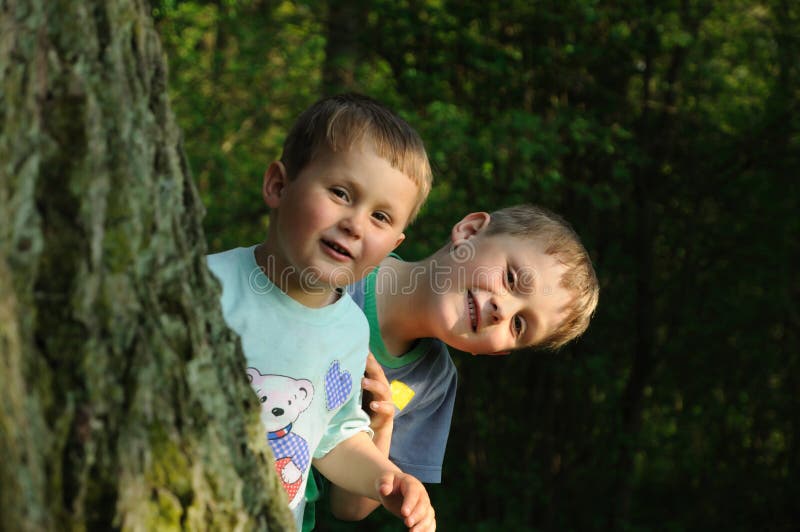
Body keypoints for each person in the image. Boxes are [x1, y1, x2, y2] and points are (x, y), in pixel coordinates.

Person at [207, 93, 436, 531]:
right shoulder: (206, 286)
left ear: (393, 247)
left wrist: (387, 478)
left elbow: (333, 438)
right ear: (279, 185)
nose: (356, 223)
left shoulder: (349, 331)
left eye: (382, 218)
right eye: (340, 193)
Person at [306, 204, 599, 527]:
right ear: (470, 231)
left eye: (518, 325)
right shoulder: (347, 261)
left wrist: (380, 428)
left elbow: (347, 508)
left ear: (496, 352)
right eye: (512, 277)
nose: (503, 310)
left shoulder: (432, 385)